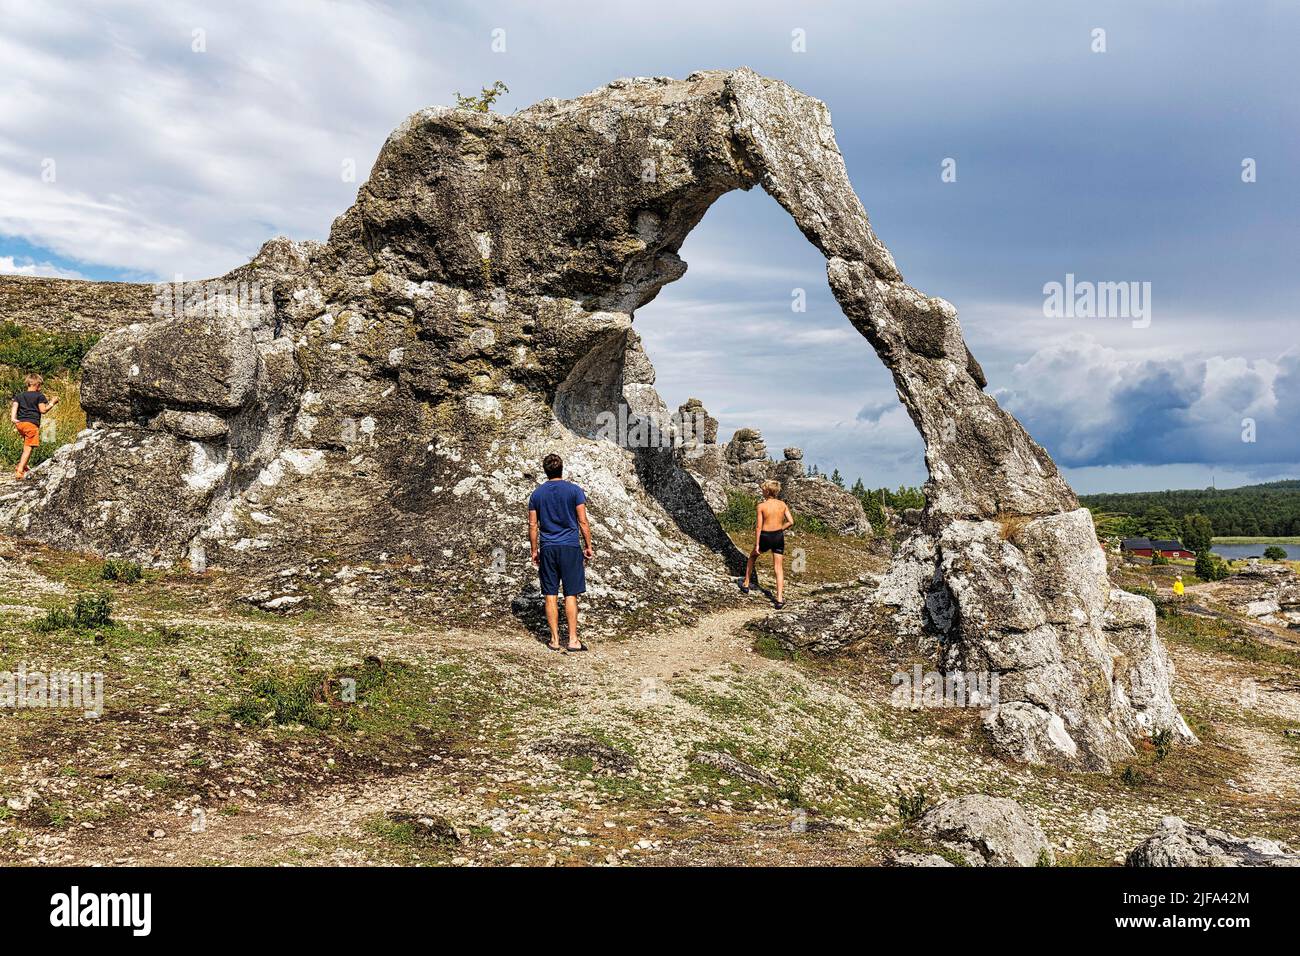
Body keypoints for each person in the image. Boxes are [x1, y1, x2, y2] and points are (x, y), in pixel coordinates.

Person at [528, 453, 593, 652]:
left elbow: (532, 525)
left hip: (548, 547)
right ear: (561, 468)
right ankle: (573, 640)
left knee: (550, 594)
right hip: (570, 547)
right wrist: (588, 545)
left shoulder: (537, 494)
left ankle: (555, 640)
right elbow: (582, 521)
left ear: (545, 470)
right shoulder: (574, 491)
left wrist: (534, 550)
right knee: (571, 594)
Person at [741, 479, 794, 609]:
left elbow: (758, 527)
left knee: (752, 557)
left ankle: (746, 583)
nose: (762, 490)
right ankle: (779, 599)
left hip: (765, 535)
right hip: (778, 536)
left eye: (763, 489)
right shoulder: (782, 504)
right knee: (778, 568)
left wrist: (757, 544)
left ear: (767, 491)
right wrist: (780, 529)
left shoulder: (761, 506)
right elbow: (791, 522)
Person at [10, 373, 59, 480]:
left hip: (20, 424)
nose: (40, 387)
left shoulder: (19, 395)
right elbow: (43, 410)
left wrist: (13, 419)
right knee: (28, 448)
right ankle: (20, 470)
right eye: (40, 385)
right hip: (31, 425)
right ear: (36, 384)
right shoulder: (39, 396)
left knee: (26, 445)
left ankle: (24, 465)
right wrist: (52, 403)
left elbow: (14, 406)